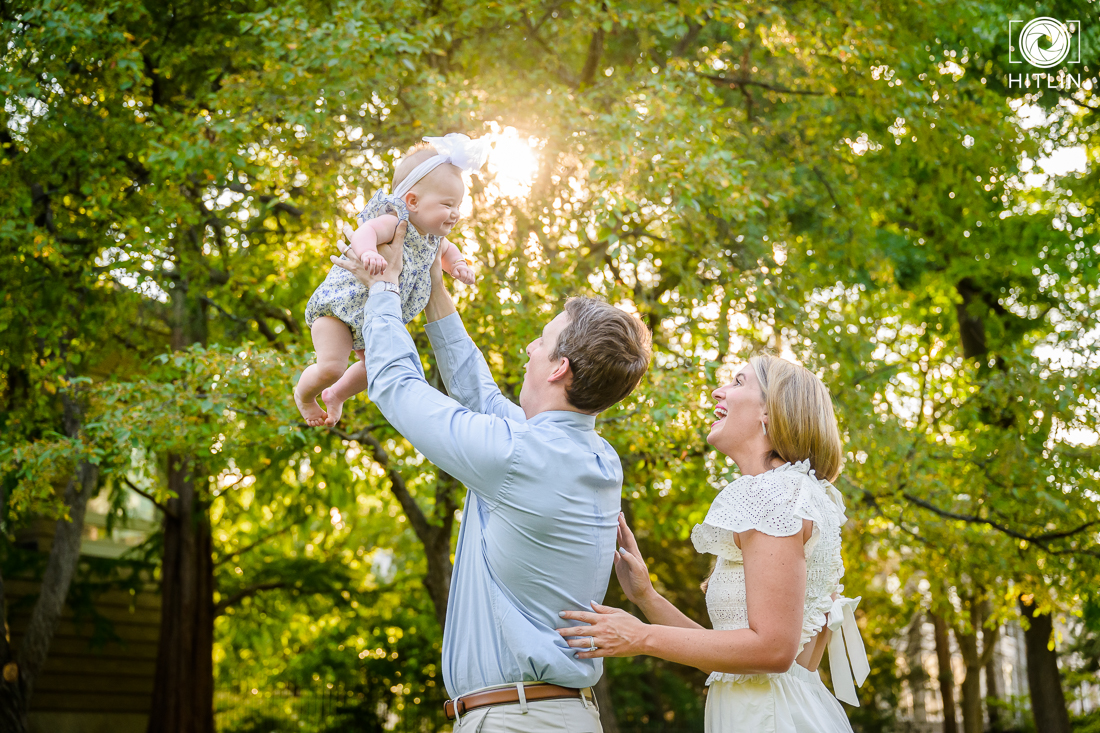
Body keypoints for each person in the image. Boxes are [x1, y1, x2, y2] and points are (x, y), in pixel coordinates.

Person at [328, 222, 652, 731]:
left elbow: (395, 385)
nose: (528, 348)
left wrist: (384, 292)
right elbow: (478, 391)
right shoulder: (594, 456)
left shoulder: (519, 454)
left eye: (540, 343)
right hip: (553, 714)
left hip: (517, 719)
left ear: (557, 368)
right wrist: (433, 283)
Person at [557, 356, 869, 732]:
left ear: (770, 412)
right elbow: (726, 659)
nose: (718, 391)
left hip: (770, 719)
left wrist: (640, 636)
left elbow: (772, 650)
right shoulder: (795, 493)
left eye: (738, 382)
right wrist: (648, 598)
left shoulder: (776, 495)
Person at [294, 133, 487, 428]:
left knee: (378, 366)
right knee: (332, 366)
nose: (456, 213)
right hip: (339, 311)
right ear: (413, 201)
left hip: (372, 319)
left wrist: (458, 265)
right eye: (448, 204)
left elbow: (449, 252)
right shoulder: (395, 221)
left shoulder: (433, 239)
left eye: (459, 205)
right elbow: (364, 232)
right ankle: (305, 396)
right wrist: (369, 252)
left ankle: (336, 396)